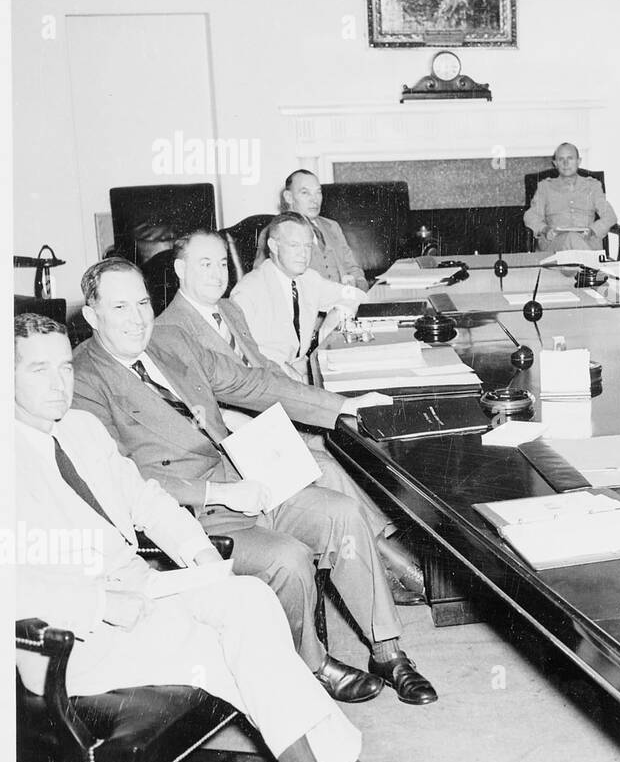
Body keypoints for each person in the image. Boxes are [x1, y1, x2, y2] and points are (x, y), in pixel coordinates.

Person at [13, 313, 408, 762]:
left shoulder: (79, 428)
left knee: (250, 598)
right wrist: (100, 604)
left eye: (64, 367)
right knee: (223, 646)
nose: (59, 383)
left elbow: (145, 499)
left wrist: (196, 551)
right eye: (38, 370)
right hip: (71, 638)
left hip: (142, 592)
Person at [70, 257, 439, 706]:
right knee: (288, 558)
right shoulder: (82, 380)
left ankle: (388, 651)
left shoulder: (168, 346)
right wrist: (218, 493)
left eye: (143, 303)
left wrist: (345, 406)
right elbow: (118, 478)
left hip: (242, 479)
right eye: (120, 307)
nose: (138, 318)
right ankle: (312, 665)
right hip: (191, 514)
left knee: (341, 512)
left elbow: (252, 384)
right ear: (92, 315)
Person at [155, 229, 429, 603]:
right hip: (230, 450)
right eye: (205, 264)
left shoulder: (228, 310)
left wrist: (298, 384)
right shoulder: (170, 330)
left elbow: (259, 368)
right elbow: (203, 411)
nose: (218, 274)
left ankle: (384, 558)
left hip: (266, 425)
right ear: (179, 269)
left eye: (222, 263)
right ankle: (392, 563)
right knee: (328, 468)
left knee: (336, 457)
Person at [234, 213, 365, 380]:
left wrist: (337, 314)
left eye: (308, 246)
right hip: (269, 381)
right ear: (274, 246)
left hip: (302, 375)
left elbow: (357, 295)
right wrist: (287, 370)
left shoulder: (309, 279)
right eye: (294, 245)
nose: (303, 254)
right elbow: (244, 356)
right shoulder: (248, 291)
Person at [255, 169, 367, 289]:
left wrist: (357, 284)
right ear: (289, 197)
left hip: (344, 301)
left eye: (318, 192)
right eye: (305, 193)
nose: (314, 200)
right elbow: (263, 281)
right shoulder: (273, 231)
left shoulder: (332, 226)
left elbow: (353, 268)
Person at [523, 143, 618, 254]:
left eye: (570, 158)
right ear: (555, 163)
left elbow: (610, 216)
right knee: (570, 238)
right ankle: (591, 267)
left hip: (586, 241)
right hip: (555, 244)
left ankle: (584, 267)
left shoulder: (592, 186)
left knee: (573, 239)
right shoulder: (545, 187)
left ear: (579, 161)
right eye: (561, 159)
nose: (566, 163)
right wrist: (545, 229)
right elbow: (530, 216)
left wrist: (593, 230)